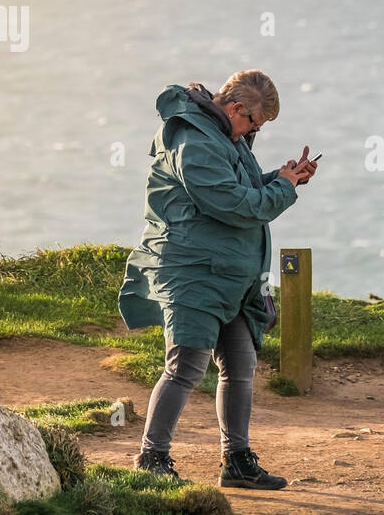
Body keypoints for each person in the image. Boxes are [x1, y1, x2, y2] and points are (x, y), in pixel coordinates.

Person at [117, 69, 317, 490]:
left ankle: (237, 461)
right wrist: (281, 189)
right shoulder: (194, 142)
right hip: (192, 271)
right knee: (186, 366)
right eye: (254, 124)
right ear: (236, 108)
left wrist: (283, 178)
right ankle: (151, 458)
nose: (253, 133)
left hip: (230, 276)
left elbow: (240, 188)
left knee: (240, 366)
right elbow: (235, 205)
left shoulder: (225, 136)